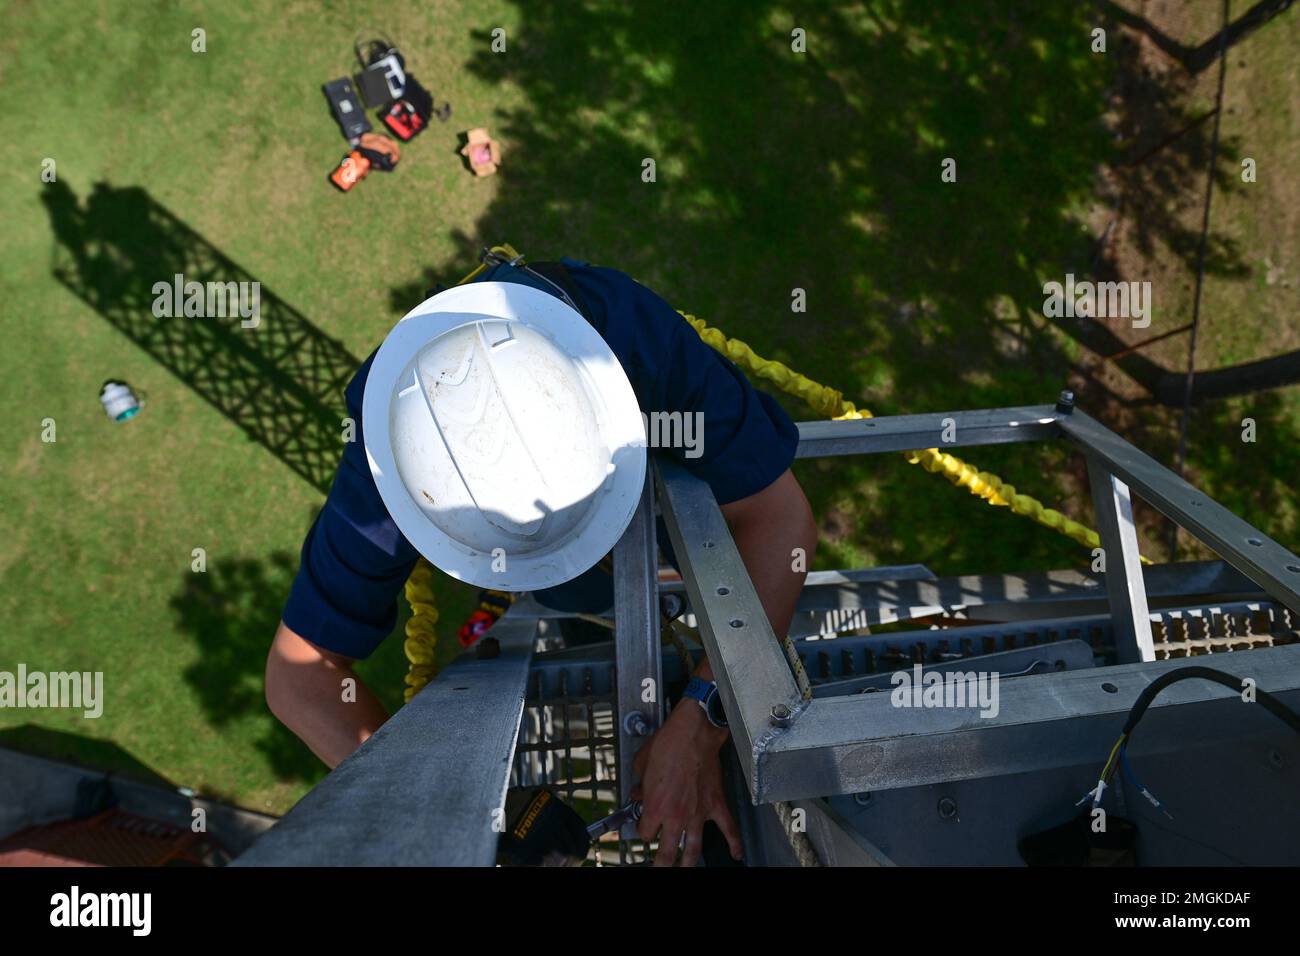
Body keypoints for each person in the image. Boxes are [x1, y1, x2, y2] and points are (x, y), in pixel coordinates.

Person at [264, 254, 817, 866]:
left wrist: (702, 722)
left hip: (671, 548)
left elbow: (778, 521)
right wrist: (465, 814)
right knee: (579, 608)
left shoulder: (629, 335)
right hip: (577, 594)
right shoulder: (402, 449)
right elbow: (299, 676)